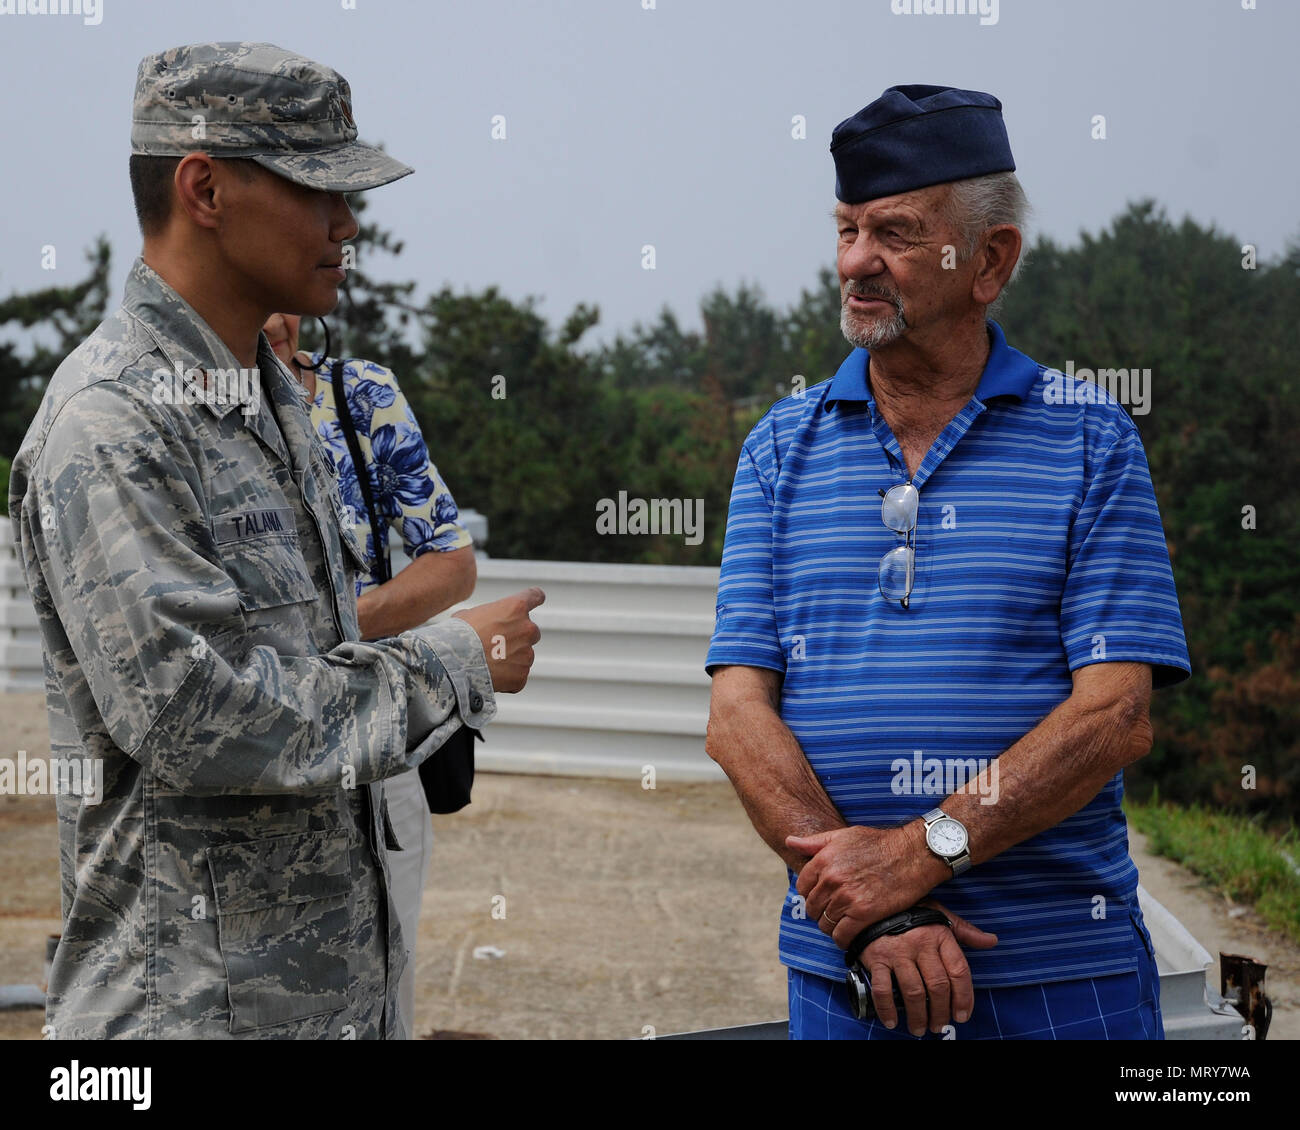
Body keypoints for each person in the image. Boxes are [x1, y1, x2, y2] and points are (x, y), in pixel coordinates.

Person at [8, 41, 543, 1040]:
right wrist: (452, 659)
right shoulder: (112, 420)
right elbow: (193, 715)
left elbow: (311, 661)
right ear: (204, 188)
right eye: (314, 187)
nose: (347, 221)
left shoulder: (265, 392)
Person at [705, 85, 1191, 1041]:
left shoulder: (1090, 441)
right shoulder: (778, 447)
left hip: (1058, 976)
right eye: (846, 229)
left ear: (991, 259)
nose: (855, 263)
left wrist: (925, 852)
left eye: (892, 232)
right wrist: (878, 906)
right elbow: (736, 716)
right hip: (850, 972)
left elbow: (1115, 716)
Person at [264, 310, 475, 1037]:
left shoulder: (362, 396)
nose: (275, 318)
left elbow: (451, 562)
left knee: (390, 972)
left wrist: (337, 628)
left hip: (373, 740)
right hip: (256, 742)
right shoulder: (178, 405)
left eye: (284, 296)